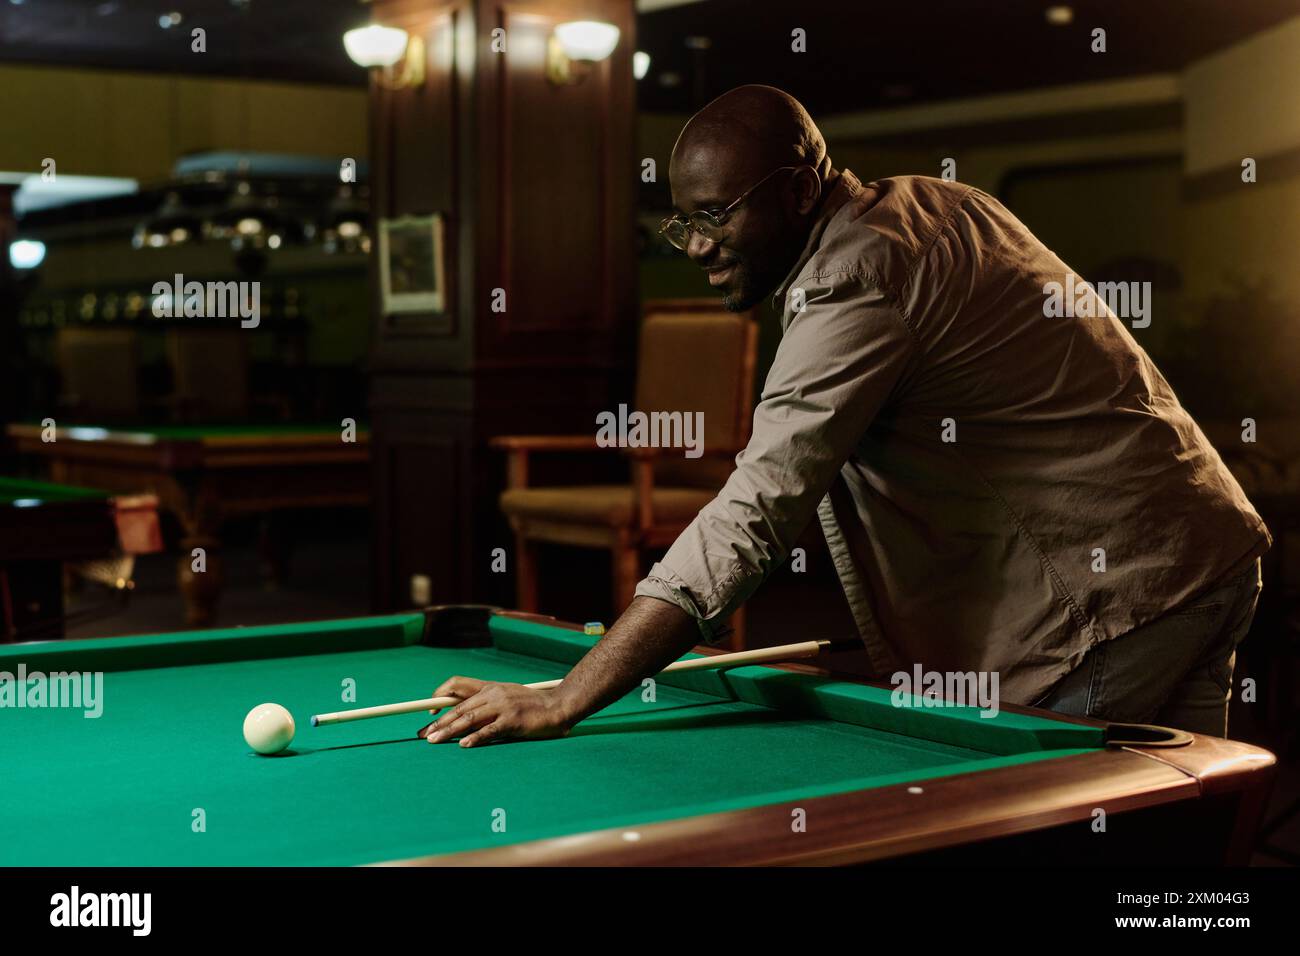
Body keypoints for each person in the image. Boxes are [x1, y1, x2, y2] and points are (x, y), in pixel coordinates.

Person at [422, 84, 1270, 747]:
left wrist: (568, 693)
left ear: (797, 191)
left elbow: (755, 509)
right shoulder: (941, 204)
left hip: (1114, 601)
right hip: (1202, 554)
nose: (699, 247)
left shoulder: (857, 277)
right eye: (683, 222)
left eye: (717, 215)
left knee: (1023, 826)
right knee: (1185, 850)